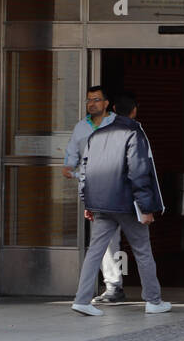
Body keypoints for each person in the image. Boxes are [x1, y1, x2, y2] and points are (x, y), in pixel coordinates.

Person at [71, 93, 172, 316]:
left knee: (94, 251)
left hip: (100, 204)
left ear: (114, 108)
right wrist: (146, 208)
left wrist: (87, 202)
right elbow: (139, 172)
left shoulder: (97, 135)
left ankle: (82, 300)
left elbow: (84, 171)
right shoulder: (134, 134)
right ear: (135, 110)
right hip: (127, 205)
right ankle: (153, 301)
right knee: (143, 251)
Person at [64, 85, 122, 304]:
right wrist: (69, 166)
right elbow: (72, 151)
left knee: (124, 239)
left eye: (96, 99)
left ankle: (115, 286)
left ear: (106, 103)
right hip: (93, 190)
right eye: (89, 100)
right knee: (105, 239)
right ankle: (113, 286)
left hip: (117, 188)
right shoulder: (81, 126)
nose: (92, 104)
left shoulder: (117, 123)